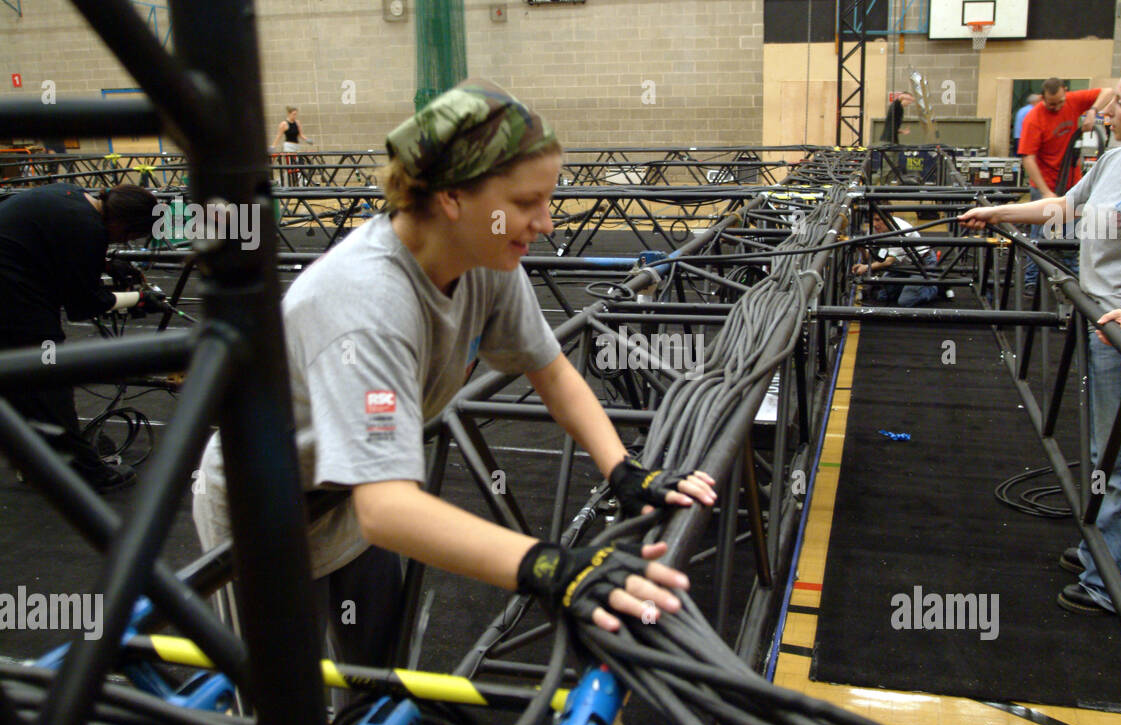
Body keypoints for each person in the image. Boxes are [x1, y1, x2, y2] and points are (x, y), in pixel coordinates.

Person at [194, 79, 716, 670]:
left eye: (549, 199)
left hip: (353, 494)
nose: (545, 221)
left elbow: (550, 370)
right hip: (267, 518)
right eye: (525, 203)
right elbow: (387, 510)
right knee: (281, 711)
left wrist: (622, 469)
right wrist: (550, 568)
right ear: (451, 197)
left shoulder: (486, 256)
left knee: (379, 674)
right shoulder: (365, 304)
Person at [961, 59, 1121, 614]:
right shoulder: (1116, 160)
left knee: (1119, 459)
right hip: (1101, 323)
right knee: (1100, 450)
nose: (1107, 109)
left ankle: (1120, 588)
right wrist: (998, 212)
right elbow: (1062, 209)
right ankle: (1104, 553)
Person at [0, 183, 160, 491]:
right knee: (50, 380)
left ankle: (33, 461)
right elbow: (83, 305)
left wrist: (106, 264)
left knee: (20, 384)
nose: (123, 241)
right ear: (123, 223)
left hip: (14, 291)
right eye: (127, 235)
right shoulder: (87, 227)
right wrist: (137, 299)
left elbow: (50, 241)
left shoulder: (72, 196)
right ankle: (83, 472)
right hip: (16, 304)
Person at [1018, 78, 1115, 287]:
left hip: (1072, 184)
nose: (1057, 107)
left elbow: (1108, 90)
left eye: (1060, 101)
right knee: (1040, 237)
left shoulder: (1072, 101)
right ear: (1043, 99)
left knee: (1072, 236)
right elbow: (1028, 157)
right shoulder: (1034, 118)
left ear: (1065, 92)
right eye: (1052, 104)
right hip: (1046, 185)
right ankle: (1031, 284)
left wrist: (1093, 111)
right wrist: (1045, 192)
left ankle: (1075, 284)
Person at [852, 210, 941, 307]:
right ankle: (911, 285)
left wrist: (866, 267)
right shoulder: (874, 228)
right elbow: (870, 257)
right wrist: (862, 250)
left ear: (889, 217)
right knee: (882, 296)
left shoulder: (902, 229)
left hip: (922, 263)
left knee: (906, 301)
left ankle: (936, 286)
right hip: (902, 265)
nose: (874, 224)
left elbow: (888, 262)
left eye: (878, 220)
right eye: (872, 220)